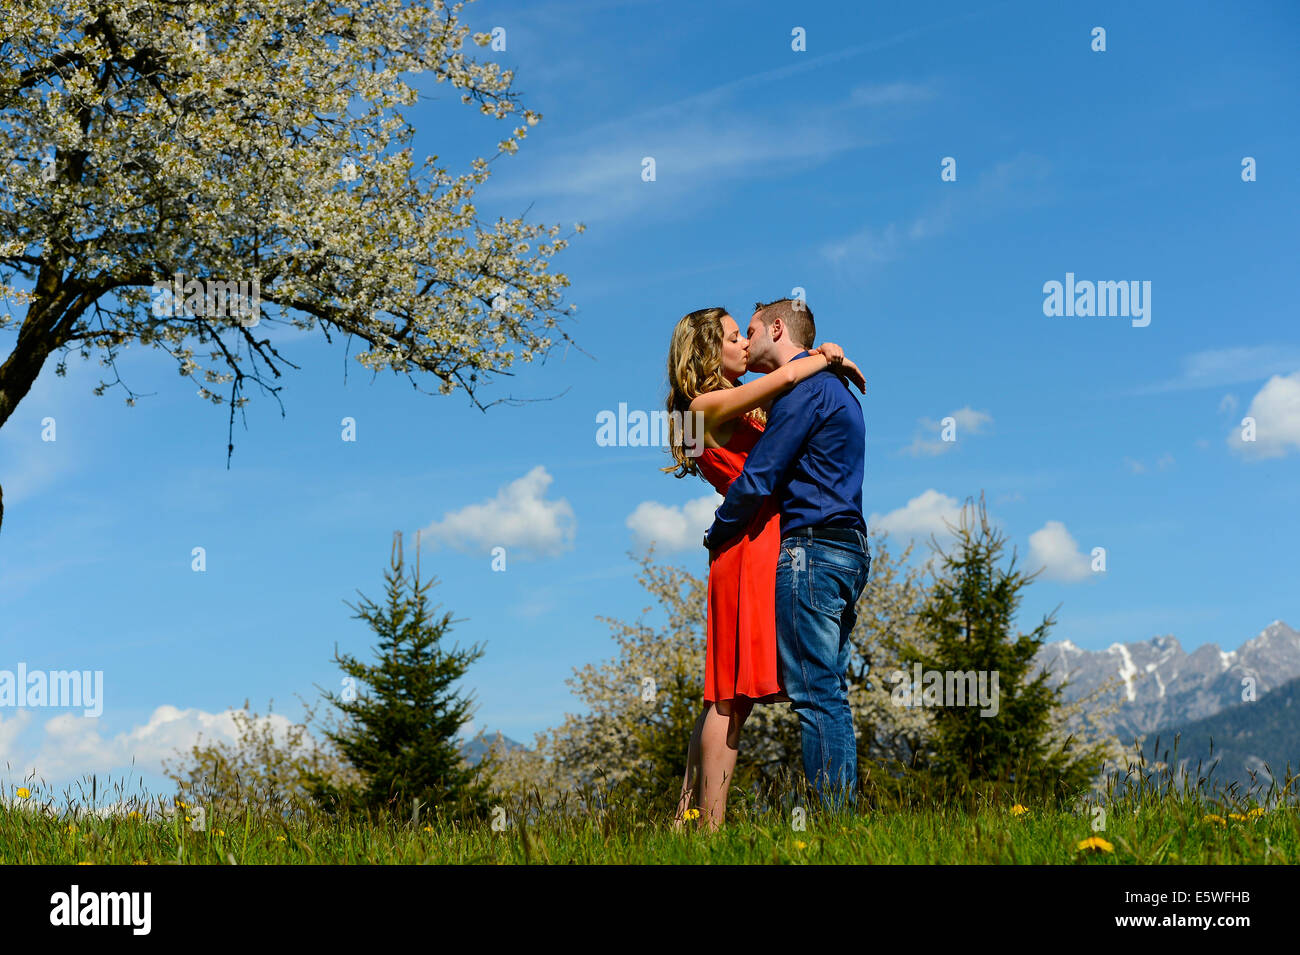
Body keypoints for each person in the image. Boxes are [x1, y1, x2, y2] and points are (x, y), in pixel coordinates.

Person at [662, 305, 864, 829]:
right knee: (728, 696)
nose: (744, 346)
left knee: (728, 697)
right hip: (746, 542)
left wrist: (819, 357)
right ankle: (708, 826)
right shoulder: (706, 405)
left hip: (760, 539)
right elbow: (791, 372)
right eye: (736, 337)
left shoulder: (732, 406)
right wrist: (825, 354)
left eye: (746, 334)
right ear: (710, 350)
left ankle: (687, 816)